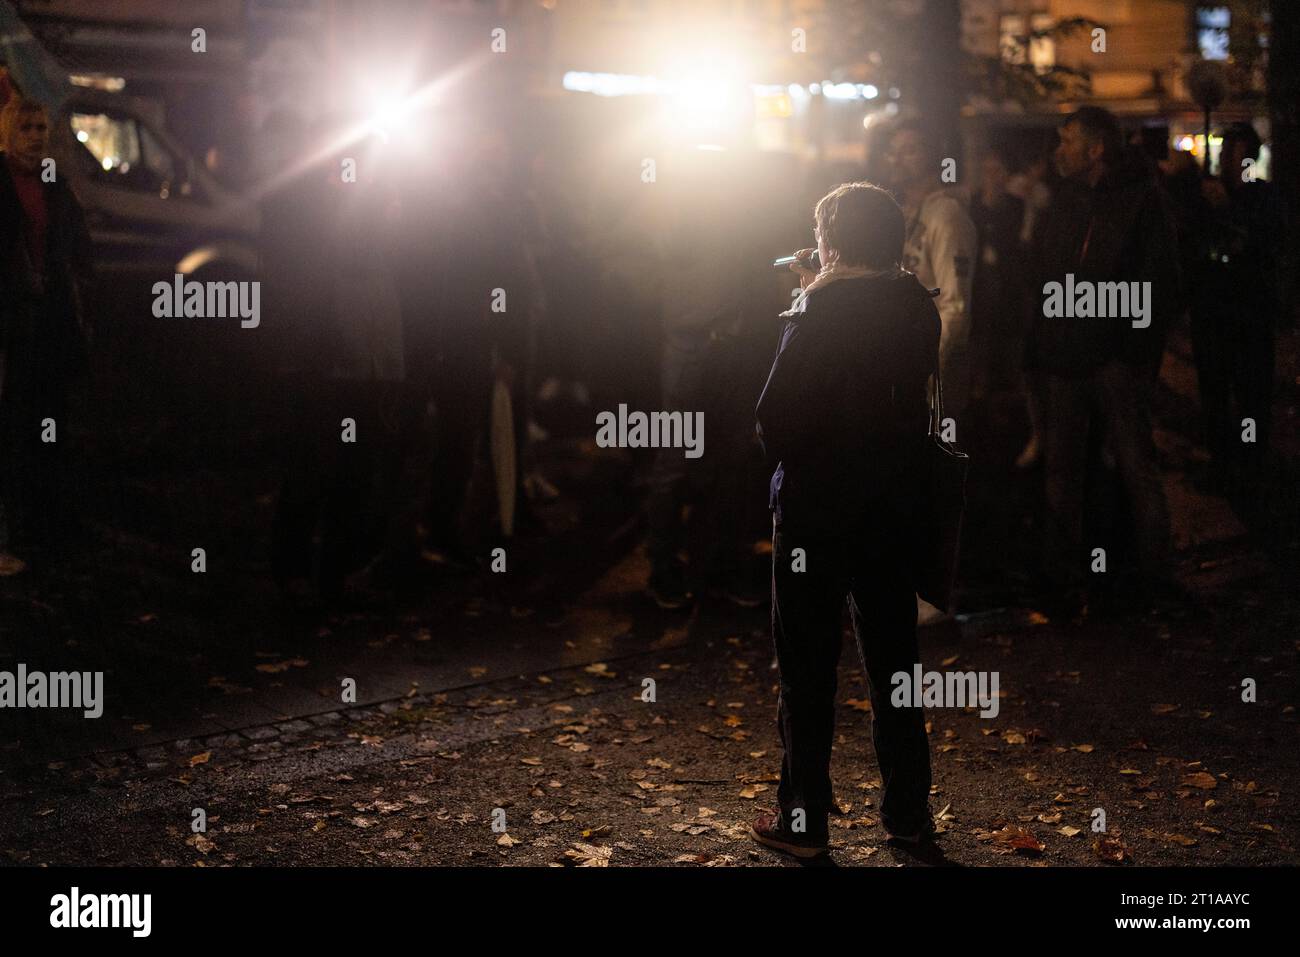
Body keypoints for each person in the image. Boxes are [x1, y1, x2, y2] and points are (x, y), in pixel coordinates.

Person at [751, 182, 939, 858]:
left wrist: (809, 296)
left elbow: (774, 417)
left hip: (815, 513)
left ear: (832, 240)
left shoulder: (816, 312)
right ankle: (909, 815)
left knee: (807, 666)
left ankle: (803, 820)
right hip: (892, 511)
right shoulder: (919, 308)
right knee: (896, 661)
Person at [1027, 106, 1181, 612]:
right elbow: (1049, 276)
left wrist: (1133, 356)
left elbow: (1157, 286)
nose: (1058, 151)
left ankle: (1155, 577)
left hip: (1112, 360)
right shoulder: (1065, 202)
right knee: (1063, 470)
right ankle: (1063, 578)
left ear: (1095, 149)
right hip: (1068, 358)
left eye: (1068, 141)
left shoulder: (1140, 200)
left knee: (1135, 465)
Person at [0, 93, 94, 575]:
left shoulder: (55, 183)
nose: (36, 137)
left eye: (41, 128)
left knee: (48, 425)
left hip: (50, 327)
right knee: (13, 428)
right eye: (27, 128)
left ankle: (46, 525)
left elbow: (77, 246)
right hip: (11, 328)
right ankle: (15, 529)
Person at [1187, 122, 1281, 507]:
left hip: (1250, 317)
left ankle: (1251, 463)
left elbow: (1262, 244)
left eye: (1235, 153)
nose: (1228, 160)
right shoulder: (1208, 196)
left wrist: (1226, 211)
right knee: (1214, 394)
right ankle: (1222, 462)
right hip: (1212, 316)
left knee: (1250, 395)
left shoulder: (1265, 199)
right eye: (1225, 152)